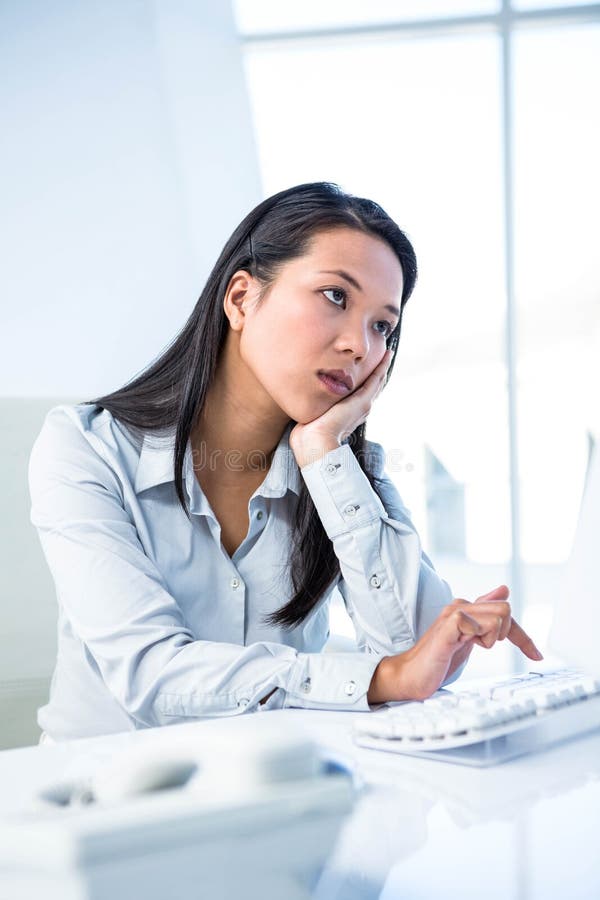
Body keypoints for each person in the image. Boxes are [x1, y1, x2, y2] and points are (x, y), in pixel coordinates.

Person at [29, 182, 542, 742]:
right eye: (336, 297)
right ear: (241, 298)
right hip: (100, 800)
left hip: (281, 791)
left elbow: (416, 660)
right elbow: (149, 675)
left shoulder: (344, 470)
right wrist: (376, 680)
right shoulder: (86, 448)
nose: (359, 347)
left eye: (382, 326)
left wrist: (325, 455)